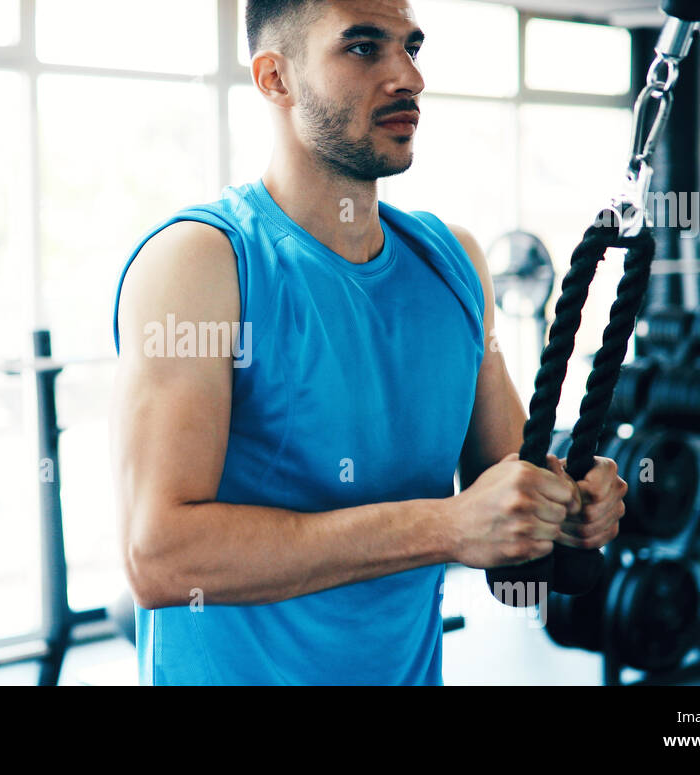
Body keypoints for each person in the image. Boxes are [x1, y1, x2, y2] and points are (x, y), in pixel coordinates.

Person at [111, 0, 628, 685]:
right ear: (275, 78)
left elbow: (502, 482)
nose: (407, 76)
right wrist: (446, 527)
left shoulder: (454, 262)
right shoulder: (204, 263)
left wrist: (568, 504)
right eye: (363, 48)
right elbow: (162, 559)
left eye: (411, 48)